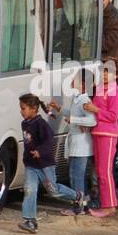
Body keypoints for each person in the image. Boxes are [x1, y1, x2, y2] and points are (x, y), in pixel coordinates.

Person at [18, 94, 85, 233]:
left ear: (34, 108)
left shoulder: (41, 124)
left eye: (23, 108)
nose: (21, 111)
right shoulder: (24, 123)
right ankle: (30, 221)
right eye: (21, 108)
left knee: (53, 191)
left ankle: (77, 196)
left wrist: (39, 152)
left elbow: (49, 141)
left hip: (45, 164)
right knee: (30, 189)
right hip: (31, 165)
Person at [49, 72, 97, 206]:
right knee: (73, 175)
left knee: (77, 177)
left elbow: (92, 120)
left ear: (82, 84)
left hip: (81, 145)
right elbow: (72, 114)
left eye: (74, 79)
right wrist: (59, 108)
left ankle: (79, 207)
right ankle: (80, 204)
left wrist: (74, 120)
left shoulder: (84, 100)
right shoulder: (77, 98)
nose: (71, 81)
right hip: (75, 144)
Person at [89, 64, 118, 215]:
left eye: (107, 72)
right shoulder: (100, 89)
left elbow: (113, 116)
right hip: (98, 132)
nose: (104, 74)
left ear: (116, 75)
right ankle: (107, 204)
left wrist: (95, 110)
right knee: (100, 170)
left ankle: (109, 206)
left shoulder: (115, 91)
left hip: (108, 134)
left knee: (104, 171)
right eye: (103, 71)